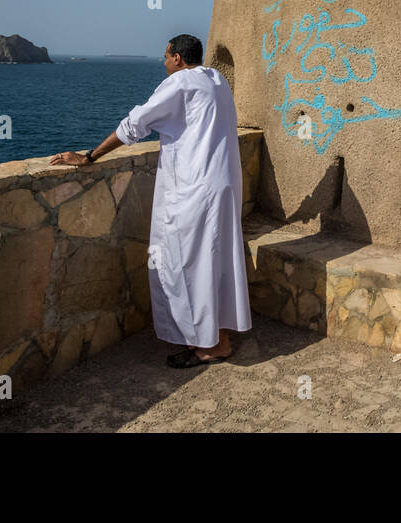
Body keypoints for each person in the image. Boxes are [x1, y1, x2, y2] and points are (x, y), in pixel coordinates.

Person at [50, 34, 252, 367]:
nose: (163, 62)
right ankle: (221, 340)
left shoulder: (180, 84)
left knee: (187, 265)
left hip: (194, 189)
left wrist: (90, 156)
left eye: (165, 56)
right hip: (222, 185)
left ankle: (206, 345)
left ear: (177, 58)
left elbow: (135, 125)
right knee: (215, 263)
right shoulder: (217, 80)